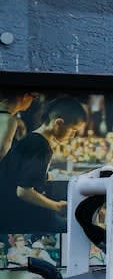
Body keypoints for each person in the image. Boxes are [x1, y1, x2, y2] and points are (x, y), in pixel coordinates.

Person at [0, 97, 87, 233]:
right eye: (72, 130)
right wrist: (57, 206)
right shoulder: (41, 147)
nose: (73, 136)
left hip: (11, 209)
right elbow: (23, 192)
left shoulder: (32, 138)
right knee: (78, 228)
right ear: (58, 123)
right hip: (20, 216)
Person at [0, 91, 37, 159]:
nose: (32, 101)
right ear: (25, 97)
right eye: (34, 97)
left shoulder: (9, 118)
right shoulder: (10, 121)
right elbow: (2, 155)